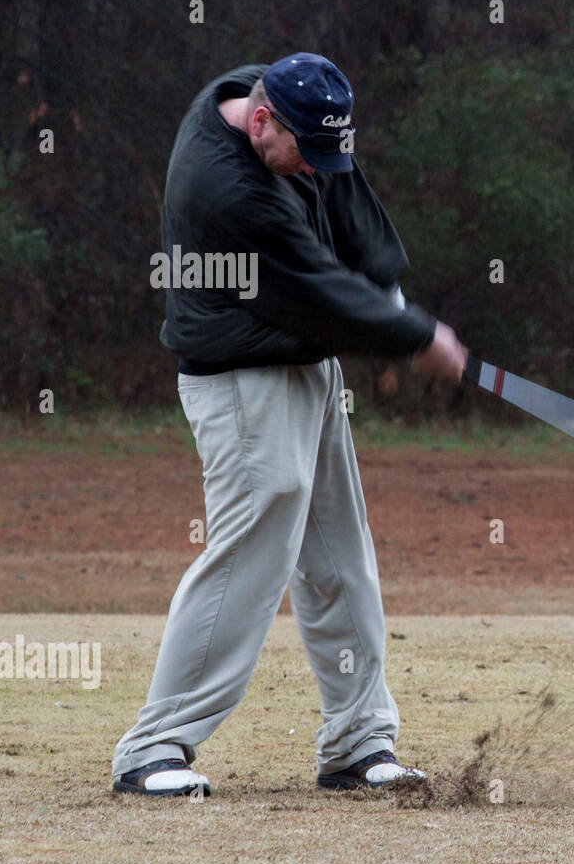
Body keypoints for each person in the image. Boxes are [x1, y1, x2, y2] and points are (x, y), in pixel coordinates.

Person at [112, 52, 466, 797]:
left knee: (342, 553)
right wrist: (413, 334)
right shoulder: (227, 192)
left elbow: (345, 197)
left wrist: (391, 290)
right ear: (262, 123)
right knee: (250, 555)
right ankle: (153, 747)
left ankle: (356, 742)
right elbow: (315, 288)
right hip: (242, 382)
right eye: (301, 155)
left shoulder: (279, 108)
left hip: (307, 368)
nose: (313, 169)